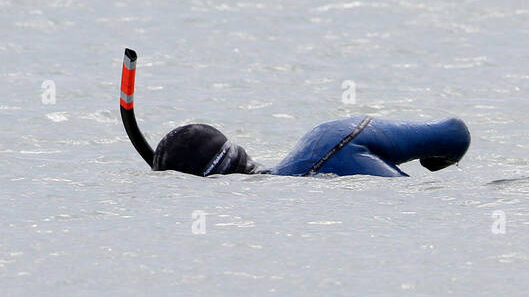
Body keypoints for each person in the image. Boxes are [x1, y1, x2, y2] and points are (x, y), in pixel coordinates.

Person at [148, 116, 470, 177]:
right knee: (453, 134)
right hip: (338, 136)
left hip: (329, 167)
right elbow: (457, 132)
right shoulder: (323, 133)